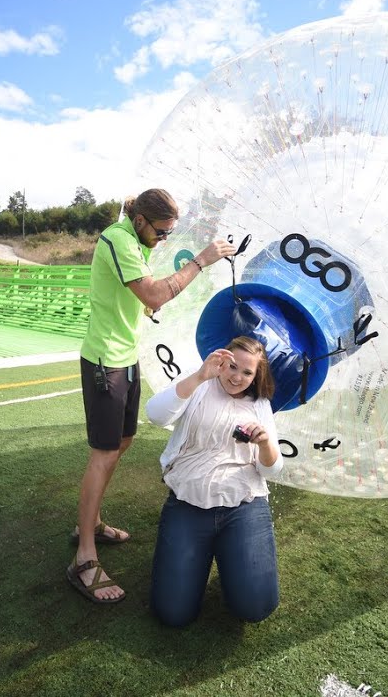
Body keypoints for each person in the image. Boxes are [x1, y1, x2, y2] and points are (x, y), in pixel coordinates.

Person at [67, 188, 236, 605]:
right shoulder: (119, 239)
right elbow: (155, 294)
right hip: (105, 363)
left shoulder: (136, 238)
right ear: (140, 219)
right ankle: (83, 555)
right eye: (161, 233)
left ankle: (91, 521)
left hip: (125, 359)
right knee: (103, 453)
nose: (163, 240)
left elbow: (139, 297)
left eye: (168, 234)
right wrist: (201, 260)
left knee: (122, 443)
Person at [145, 335, 283, 627]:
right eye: (233, 367)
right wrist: (199, 376)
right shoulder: (199, 385)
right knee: (173, 614)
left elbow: (272, 470)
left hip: (243, 505)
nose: (237, 377)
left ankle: (232, 554)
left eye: (247, 372)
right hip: (188, 503)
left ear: (257, 375)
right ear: (221, 361)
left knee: (256, 606)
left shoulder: (260, 404)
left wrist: (265, 443)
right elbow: (155, 415)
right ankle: (209, 553)